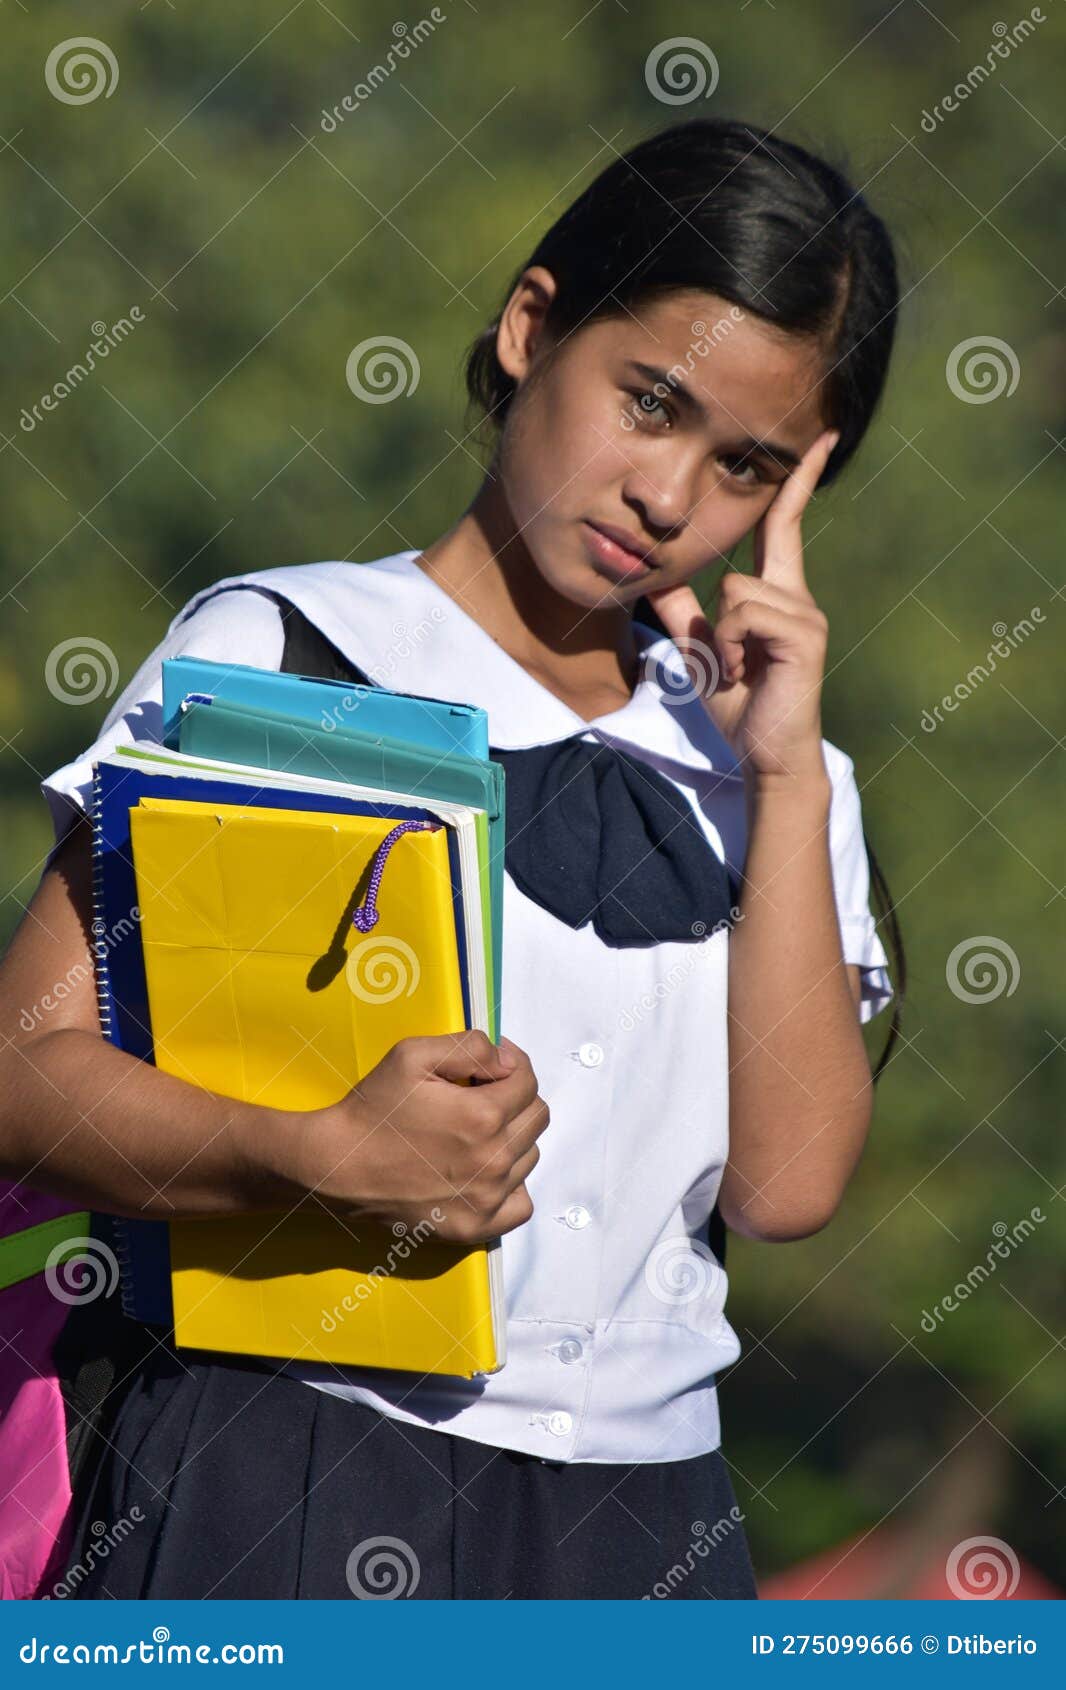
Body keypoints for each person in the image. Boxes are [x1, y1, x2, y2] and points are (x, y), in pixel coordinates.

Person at [1, 116, 903, 1600]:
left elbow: (786, 1185)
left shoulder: (777, 768)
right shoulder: (283, 655)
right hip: (280, 1465)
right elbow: (25, 1071)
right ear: (532, 325)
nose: (669, 498)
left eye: (743, 464)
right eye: (649, 403)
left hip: (644, 1533)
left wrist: (789, 779)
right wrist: (316, 1155)